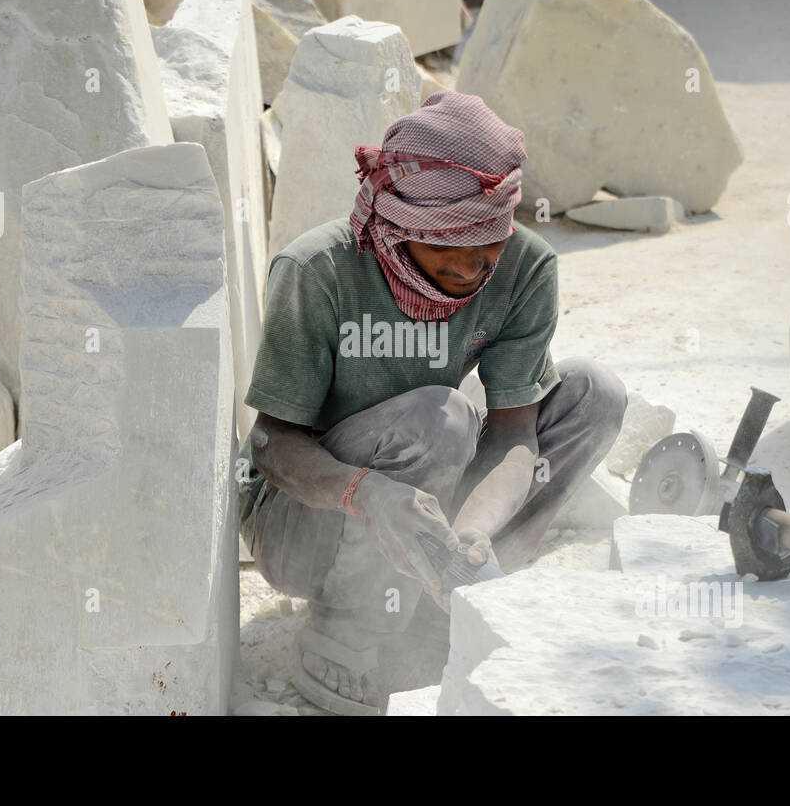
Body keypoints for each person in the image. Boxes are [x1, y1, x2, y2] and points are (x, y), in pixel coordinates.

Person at [239, 91, 626, 714]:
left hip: (430, 474)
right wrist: (363, 491)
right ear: (400, 225)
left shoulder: (524, 270)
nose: (475, 267)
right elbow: (269, 444)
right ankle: (347, 632)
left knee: (593, 395)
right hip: (306, 522)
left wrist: (470, 532)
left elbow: (513, 434)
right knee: (438, 419)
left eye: (489, 243)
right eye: (451, 243)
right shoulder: (317, 271)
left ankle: (455, 593)